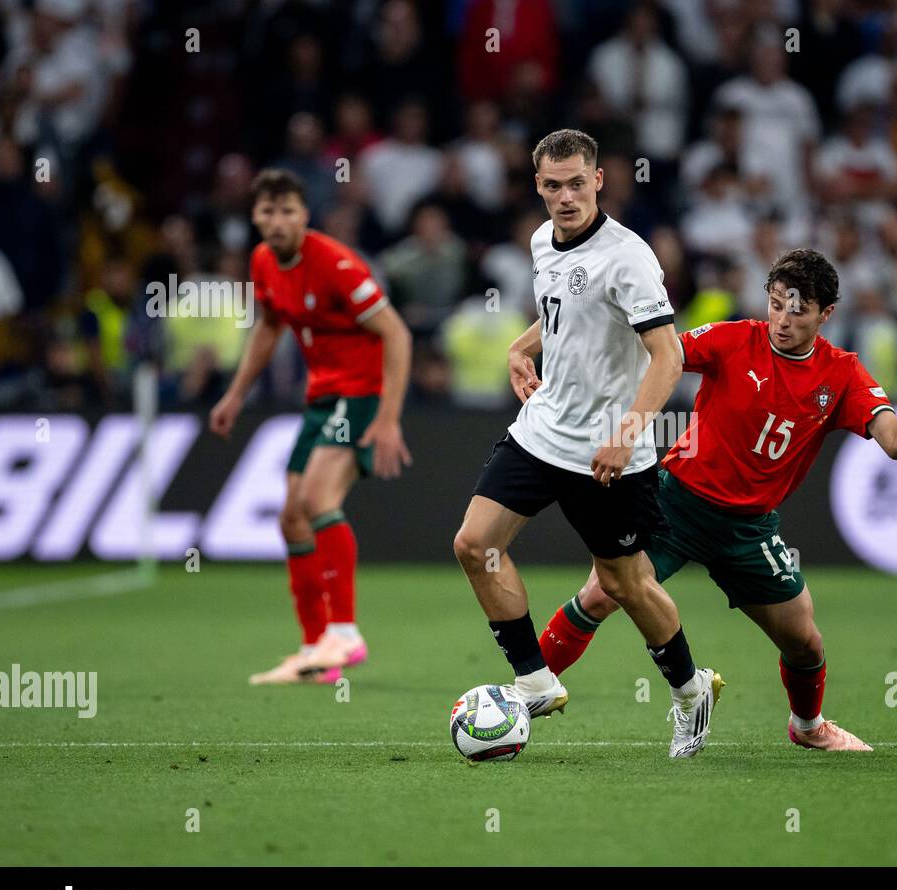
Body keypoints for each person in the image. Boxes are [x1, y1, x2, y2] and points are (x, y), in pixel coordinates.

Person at [538, 249, 897, 750]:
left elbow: (893, 442)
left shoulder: (841, 374)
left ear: (826, 315)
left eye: (798, 310)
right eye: (776, 304)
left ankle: (808, 728)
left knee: (804, 642)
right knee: (601, 593)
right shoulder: (733, 339)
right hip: (676, 504)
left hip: (749, 530)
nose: (782, 319)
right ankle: (524, 691)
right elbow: (659, 353)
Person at [452, 129, 722, 758]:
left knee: (626, 585)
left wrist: (627, 434)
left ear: (599, 180)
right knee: (474, 544)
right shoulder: (542, 240)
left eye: (578, 183)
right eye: (553, 185)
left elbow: (669, 355)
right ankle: (534, 679)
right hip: (544, 431)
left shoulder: (629, 257)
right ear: (538, 186)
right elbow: (564, 313)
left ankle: (691, 691)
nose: (566, 196)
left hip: (609, 451)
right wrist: (524, 345)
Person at [209, 169, 413, 685]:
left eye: (288, 211)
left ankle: (345, 632)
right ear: (255, 216)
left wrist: (388, 418)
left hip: (361, 393)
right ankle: (313, 649)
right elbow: (272, 323)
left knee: (318, 500)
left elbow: (397, 333)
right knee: (291, 519)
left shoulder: (337, 263)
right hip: (321, 399)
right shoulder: (263, 262)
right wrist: (235, 394)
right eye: (268, 212)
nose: (277, 221)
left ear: (305, 215)